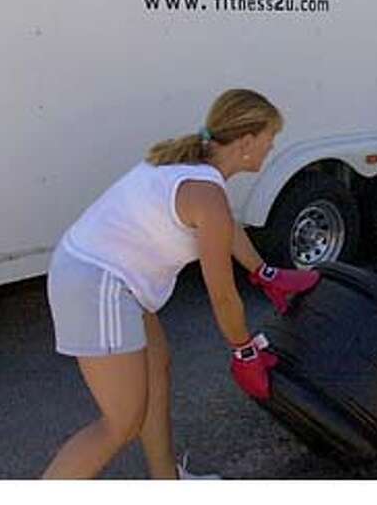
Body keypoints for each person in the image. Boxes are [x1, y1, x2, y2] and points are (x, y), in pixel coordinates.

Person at [42, 88, 320, 479]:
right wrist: (244, 350)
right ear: (245, 143)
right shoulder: (206, 193)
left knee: (157, 368)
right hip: (98, 284)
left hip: (104, 275)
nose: (270, 149)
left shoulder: (195, 171)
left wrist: (262, 271)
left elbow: (225, 227)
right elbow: (223, 297)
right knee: (121, 423)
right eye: (269, 141)